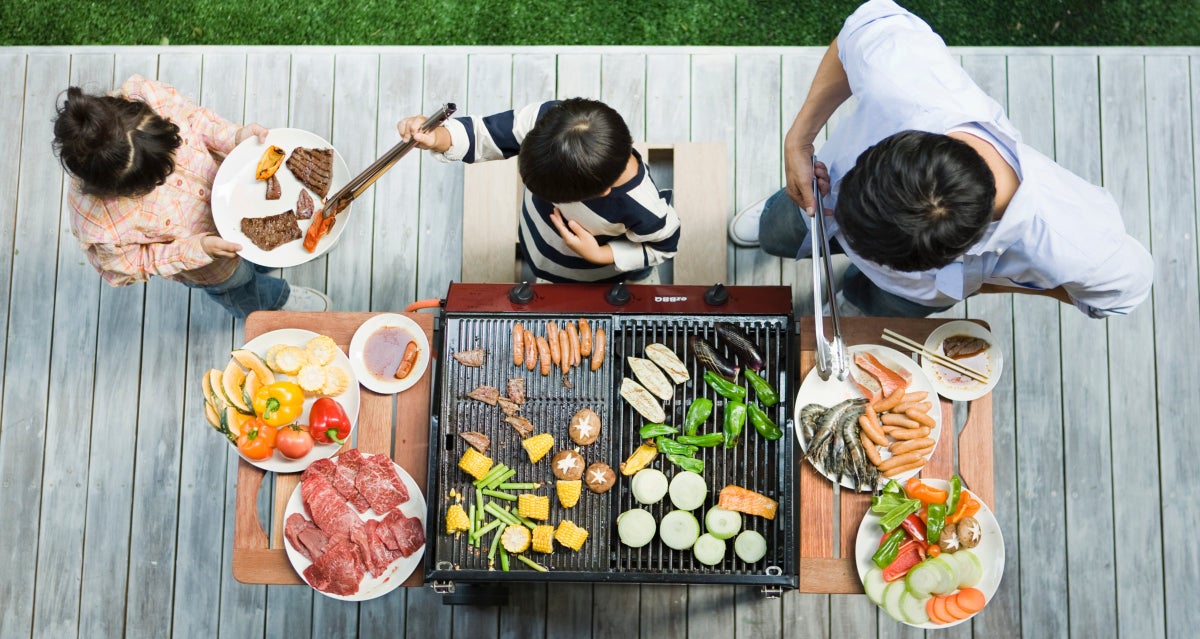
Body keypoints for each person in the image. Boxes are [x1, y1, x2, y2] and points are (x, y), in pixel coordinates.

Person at [729, 0, 1153, 318]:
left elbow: (1122, 294)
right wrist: (799, 141)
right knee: (779, 229)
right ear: (904, 144)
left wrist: (995, 283)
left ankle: (853, 301)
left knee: (869, 309)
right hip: (820, 191)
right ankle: (779, 229)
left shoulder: (1077, 242)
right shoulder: (908, 82)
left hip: (913, 293)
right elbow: (863, 27)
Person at [53, 75, 331, 317]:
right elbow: (132, 264)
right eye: (158, 179)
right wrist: (197, 250)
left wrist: (235, 137)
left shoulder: (146, 95)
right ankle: (273, 300)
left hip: (245, 202)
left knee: (266, 249)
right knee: (240, 285)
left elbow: (196, 120)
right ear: (115, 189)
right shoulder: (99, 225)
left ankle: (269, 261)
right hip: (213, 263)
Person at [397, 98, 680, 283]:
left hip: (593, 268)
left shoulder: (644, 209)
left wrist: (599, 255)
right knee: (539, 260)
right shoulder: (549, 121)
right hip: (539, 236)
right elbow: (485, 134)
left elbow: (664, 247)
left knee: (635, 278)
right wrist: (438, 137)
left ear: (602, 192)